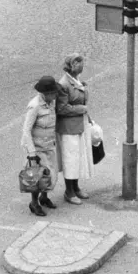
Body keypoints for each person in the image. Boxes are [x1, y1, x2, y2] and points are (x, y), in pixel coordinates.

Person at [56, 54, 93, 204]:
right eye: (80, 64)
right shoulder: (64, 84)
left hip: (78, 125)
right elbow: (62, 108)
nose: (83, 66)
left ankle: (76, 187)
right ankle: (69, 191)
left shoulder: (75, 80)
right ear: (72, 66)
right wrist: (82, 108)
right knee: (70, 159)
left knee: (77, 158)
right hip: (68, 128)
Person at [21, 75, 60, 216]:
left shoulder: (51, 103)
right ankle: (34, 203)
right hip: (37, 148)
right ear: (46, 93)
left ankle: (44, 197)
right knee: (37, 177)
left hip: (49, 145)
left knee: (50, 174)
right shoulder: (35, 106)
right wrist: (32, 153)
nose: (56, 94)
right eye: (54, 92)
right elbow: (26, 130)